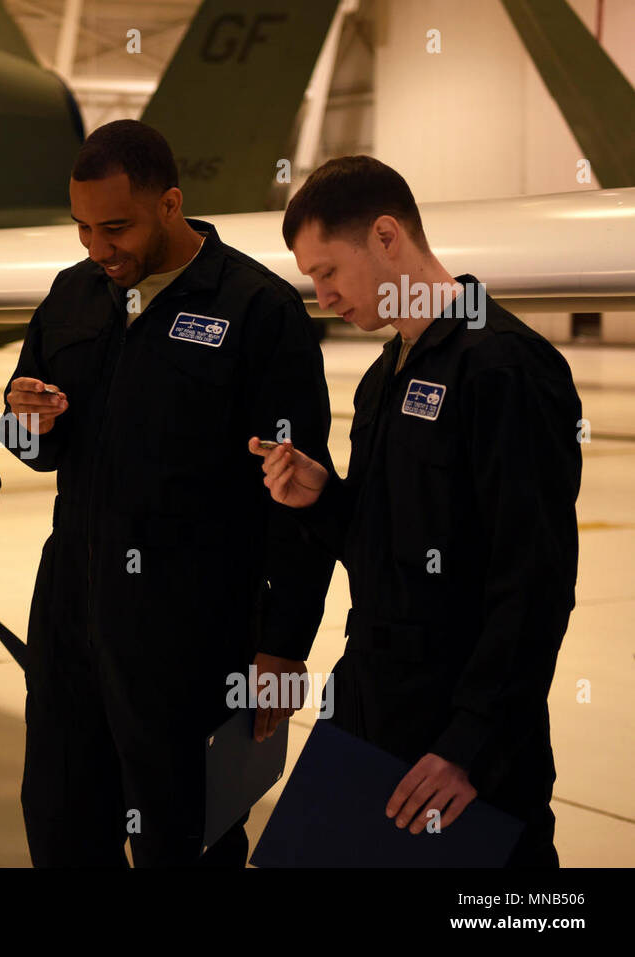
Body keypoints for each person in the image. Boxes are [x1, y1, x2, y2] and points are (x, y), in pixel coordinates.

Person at [0, 120, 334, 867]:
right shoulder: (72, 294)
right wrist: (25, 422)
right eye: (83, 228)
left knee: (185, 842)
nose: (98, 248)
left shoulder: (256, 310)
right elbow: (35, 445)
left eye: (116, 227)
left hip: (191, 638)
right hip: (73, 624)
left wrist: (282, 646)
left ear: (171, 204)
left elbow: (300, 498)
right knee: (61, 827)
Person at [252, 155, 581, 868]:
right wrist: (325, 497)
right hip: (370, 710)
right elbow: (384, 549)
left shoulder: (502, 368)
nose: (323, 295)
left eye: (328, 271)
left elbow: (534, 583)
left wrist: (468, 747)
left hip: (460, 750)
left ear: (385, 235)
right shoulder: (383, 378)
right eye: (312, 279)